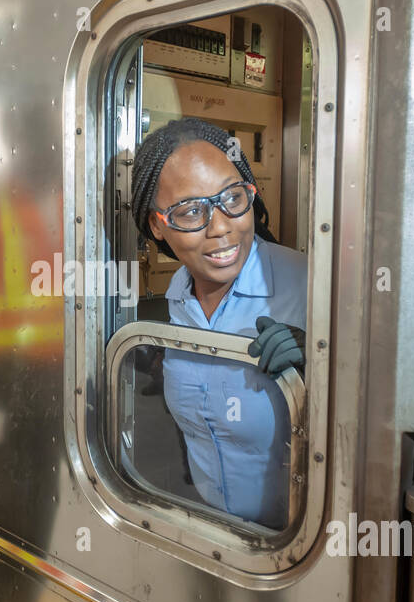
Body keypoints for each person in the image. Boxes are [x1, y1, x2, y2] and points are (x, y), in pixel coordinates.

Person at [130, 117, 308, 528]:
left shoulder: (311, 285)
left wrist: (323, 365)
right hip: (209, 533)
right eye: (192, 211)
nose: (222, 226)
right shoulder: (176, 301)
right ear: (158, 225)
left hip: (295, 551)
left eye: (231, 198)